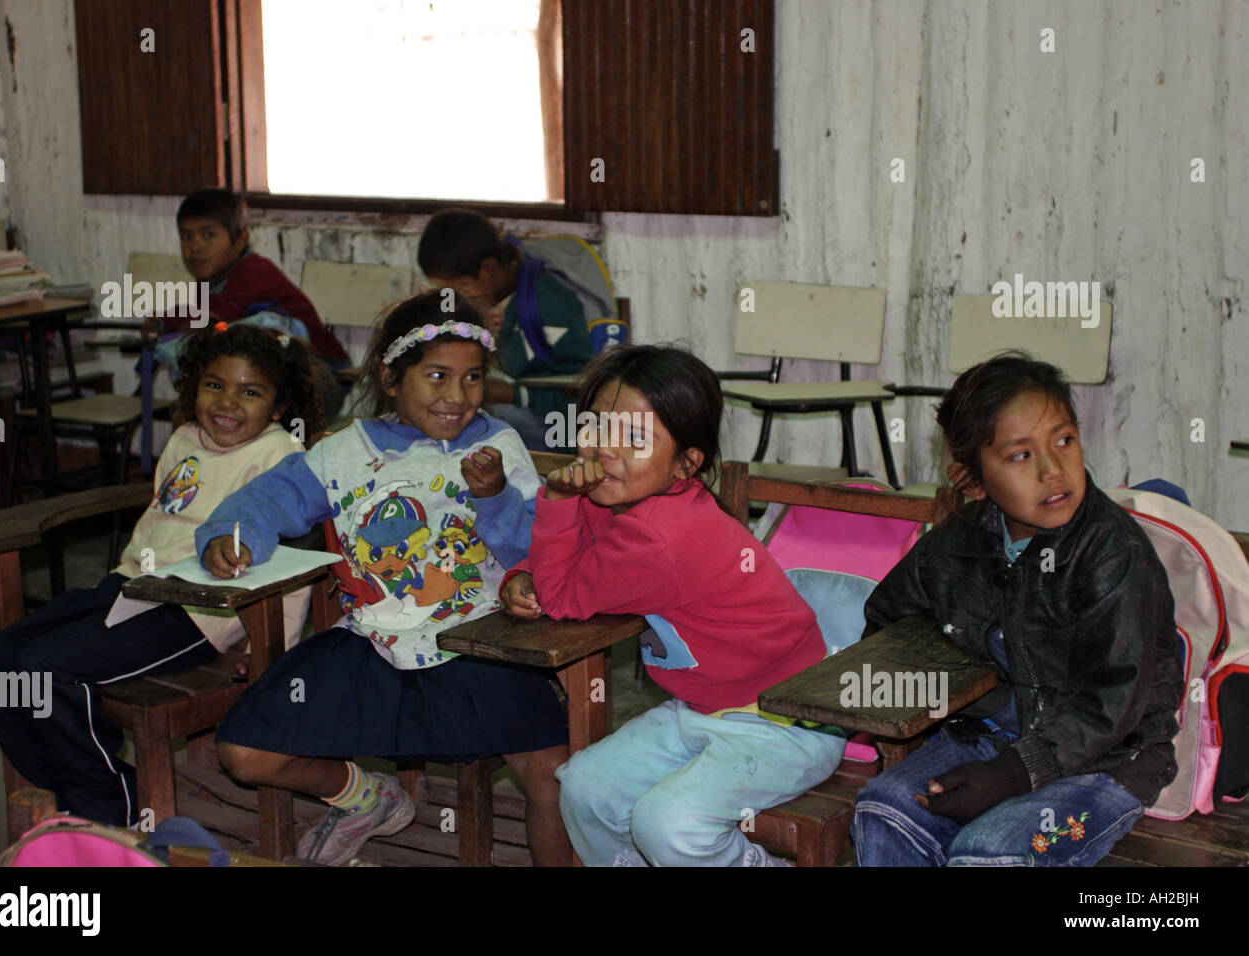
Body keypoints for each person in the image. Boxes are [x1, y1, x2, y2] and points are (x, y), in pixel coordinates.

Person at [198, 290, 572, 866]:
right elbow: (265, 500)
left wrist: (494, 497)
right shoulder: (342, 453)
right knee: (244, 752)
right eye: (438, 376)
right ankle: (366, 797)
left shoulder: (498, 446)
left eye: (473, 379)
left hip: (480, 643)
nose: (457, 397)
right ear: (391, 377)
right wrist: (230, 536)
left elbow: (538, 552)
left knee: (553, 774)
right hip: (372, 643)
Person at [501, 344, 844, 866]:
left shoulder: (660, 536)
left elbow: (564, 595)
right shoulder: (623, 499)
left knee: (666, 824)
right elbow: (563, 567)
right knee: (584, 788)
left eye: (636, 436)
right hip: (703, 708)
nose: (605, 449)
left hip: (788, 723)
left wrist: (555, 500)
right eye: (596, 427)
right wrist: (522, 573)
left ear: (687, 462)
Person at [0, 324, 322, 827]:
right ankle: (71, 787)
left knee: (48, 669)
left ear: (276, 407)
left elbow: (297, 559)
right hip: (127, 586)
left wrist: (271, 649)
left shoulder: (279, 455)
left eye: (249, 392)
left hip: (197, 610)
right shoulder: (184, 437)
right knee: (2, 660)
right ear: (193, 387)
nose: (227, 403)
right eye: (214, 385)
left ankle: (109, 800)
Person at [852, 352, 1183, 866]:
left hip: (1106, 764)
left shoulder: (1113, 553)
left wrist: (1012, 774)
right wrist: (938, 706)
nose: (1054, 469)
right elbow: (890, 625)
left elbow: (1111, 702)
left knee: (991, 853)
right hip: (985, 740)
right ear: (972, 480)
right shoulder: (955, 545)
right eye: (1021, 456)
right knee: (884, 809)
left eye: (1064, 440)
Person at [146, 187, 350, 416]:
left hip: (322, 379)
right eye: (186, 236)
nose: (195, 247)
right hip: (284, 379)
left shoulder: (253, 272)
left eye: (208, 235)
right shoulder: (209, 282)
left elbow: (212, 320)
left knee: (248, 401)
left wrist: (164, 323)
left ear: (241, 238)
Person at [417, 208, 596, 451]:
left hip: (558, 427)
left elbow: (583, 394)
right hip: (505, 410)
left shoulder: (550, 303)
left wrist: (514, 394)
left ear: (488, 269)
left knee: (479, 422)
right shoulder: (471, 301)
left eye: (459, 286)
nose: (450, 296)